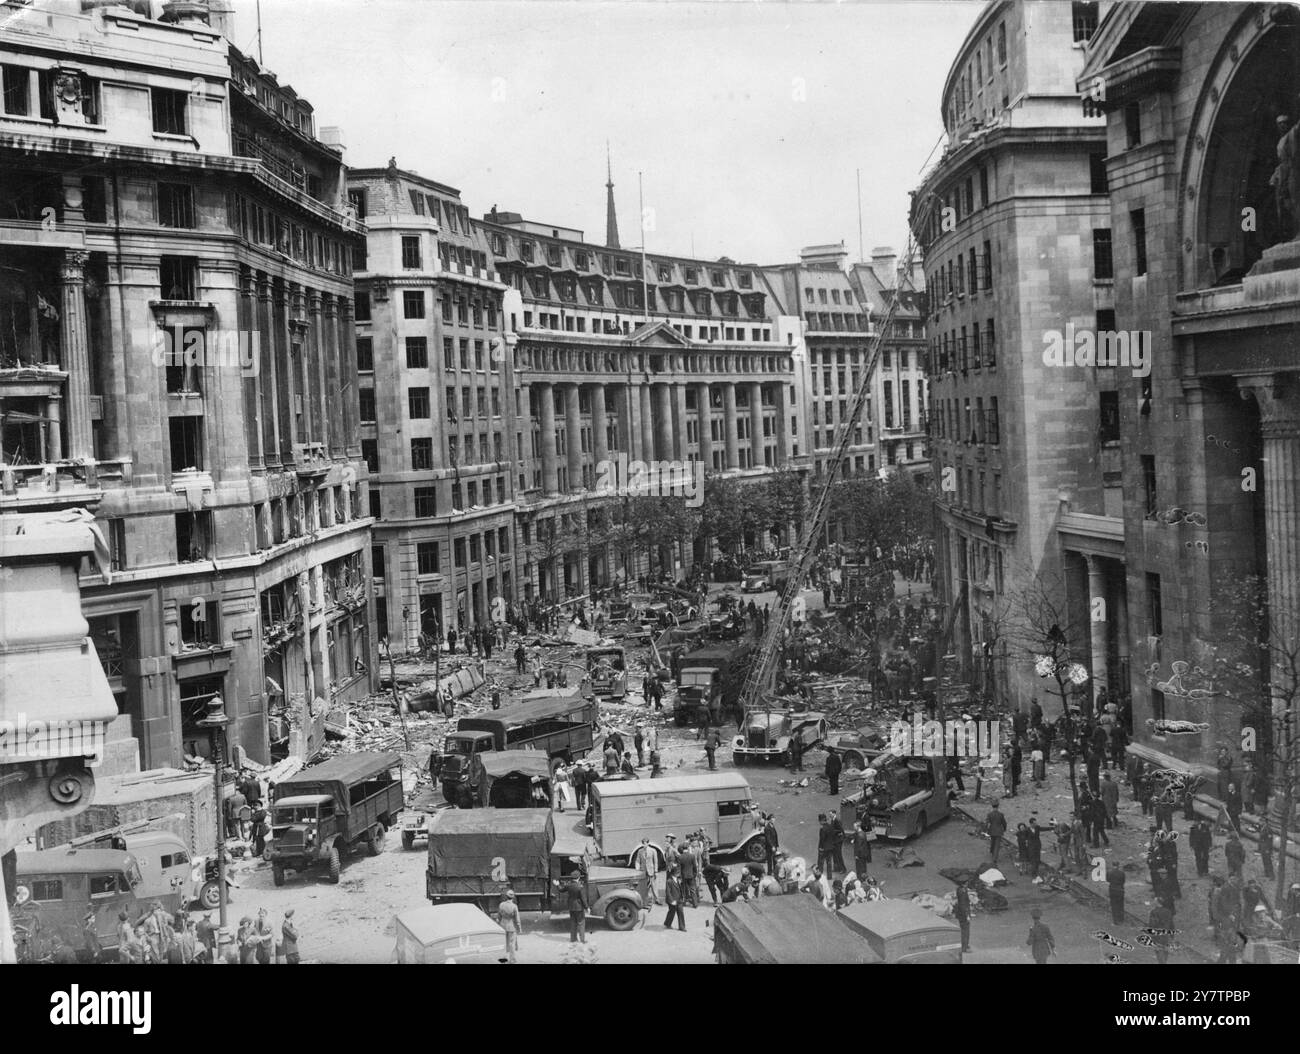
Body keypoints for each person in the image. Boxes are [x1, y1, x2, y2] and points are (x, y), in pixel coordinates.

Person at [633, 838, 660, 907]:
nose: (644, 845)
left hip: (651, 871)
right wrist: (637, 868)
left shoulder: (653, 850)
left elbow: (656, 862)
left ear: (648, 843)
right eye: (643, 843)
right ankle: (647, 901)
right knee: (645, 887)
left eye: (645, 843)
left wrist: (656, 871)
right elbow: (638, 860)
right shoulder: (640, 851)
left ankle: (657, 899)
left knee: (654, 886)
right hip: (643, 871)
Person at [563, 874, 587, 943]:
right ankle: (582, 940)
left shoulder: (568, 885)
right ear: (578, 878)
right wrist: (587, 907)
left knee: (573, 923)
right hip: (579, 907)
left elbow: (561, 890)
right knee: (581, 923)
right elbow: (583, 898)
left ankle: (573, 939)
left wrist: (557, 885)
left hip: (571, 907)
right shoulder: (580, 887)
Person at [498, 890, 521, 964]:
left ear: (506, 897)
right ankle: (512, 960)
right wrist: (519, 928)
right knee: (512, 944)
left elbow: (499, 917)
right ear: (513, 897)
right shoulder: (514, 906)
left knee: (505, 943)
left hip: (503, 926)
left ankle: (504, 959)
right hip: (511, 927)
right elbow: (517, 919)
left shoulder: (501, 905)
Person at [663, 865, 686, 931]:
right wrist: (671, 901)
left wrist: (683, 897)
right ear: (674, 873)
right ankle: (667, 923)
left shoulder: (679, 880)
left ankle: (682, 927)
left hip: (679, 899)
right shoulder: (669, 881)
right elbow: (668, 892)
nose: (679, 874)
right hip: (672, 900)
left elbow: (681, 889)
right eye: (678, 873)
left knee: (680, 912)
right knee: (671, 912)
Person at [985, 800, 1007, 865]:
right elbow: (1004, 823)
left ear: (992, 807)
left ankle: (992, 851)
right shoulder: (1001, 814)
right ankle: (994, 858)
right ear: (998, 807)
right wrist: (1004, 829)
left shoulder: (989, 814)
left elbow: (987, 823)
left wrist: (986, 829)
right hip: (999, 831)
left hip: (992, 830)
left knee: (992, 842)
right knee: (997, 845)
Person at [954, 879, 973, 953]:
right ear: (964, 883)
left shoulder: (959, 889)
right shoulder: (963, 892)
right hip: (963, 914)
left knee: (964, 929)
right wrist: (967, 915)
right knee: (966, 931)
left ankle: (965, 945)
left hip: (960, 914)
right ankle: (964, 947)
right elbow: (963, 905)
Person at [1026, 819, 1043, 883]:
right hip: (1031, 847)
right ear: (1031, 824)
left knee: (1038, 859)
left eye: (1036, 823)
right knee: (1033, 859)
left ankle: (1036, 871)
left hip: (1037, 845)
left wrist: (1053, 827)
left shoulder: (1037, 828)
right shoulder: (1027, 830)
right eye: (1034, 823)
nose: (1036, 824)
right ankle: (1033, 872)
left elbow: (1044, 828)